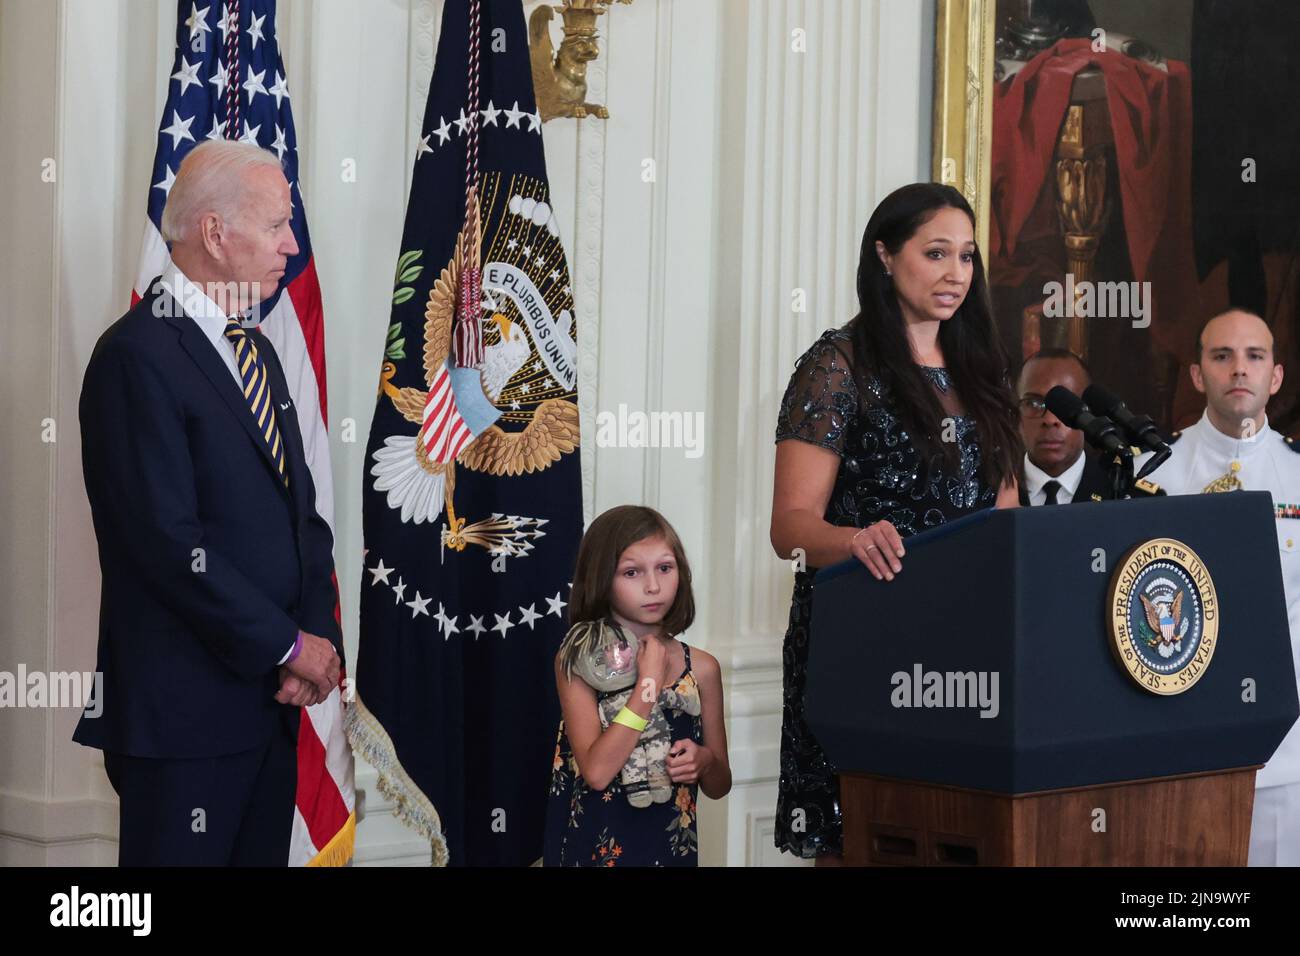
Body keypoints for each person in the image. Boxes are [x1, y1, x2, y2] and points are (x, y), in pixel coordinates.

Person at [74, 140, 343, 866]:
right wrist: (288, 645)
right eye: (278, 224)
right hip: (184, 719)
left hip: (272, 706)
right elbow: (164, 542)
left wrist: (312, 642)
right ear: (217, 234)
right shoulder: (136, 356)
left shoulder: (256, 351)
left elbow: (303, 519)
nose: (293, 243)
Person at [769, 182, 1022, 864]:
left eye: (967, 257)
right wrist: (854, 540)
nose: (955, 273)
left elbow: (1008, 518)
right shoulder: (838, 365)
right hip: (868, 636)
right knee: (870, 840)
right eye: (936, 253)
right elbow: (790, 526)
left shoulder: (982, 367)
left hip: (971, 643)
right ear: (884, 256)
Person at [1143, 307, 1300, 865]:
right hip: (1179, 744)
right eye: (1222, 355)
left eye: (1255, 356)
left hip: (1287, 756)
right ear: (1195, 373)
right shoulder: (1151, 476)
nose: (1240, 369)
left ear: (1275, 376)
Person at [543, 506, 730, 866]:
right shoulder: (578, 660)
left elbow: (719, 784)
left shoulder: (702, 669)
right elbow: (597, 773)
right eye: (632, 572)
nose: (653, 586)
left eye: (665, 567)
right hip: (593, 852)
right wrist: (648, 682)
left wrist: (705, 762)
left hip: (669, 851)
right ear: (601, 579)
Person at [1018, 348, 1121, 504]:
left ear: (1090, 411)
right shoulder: (980, 495)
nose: (1051, 419)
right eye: (1033, 403)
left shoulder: (1125, 496)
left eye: (1066, 405)